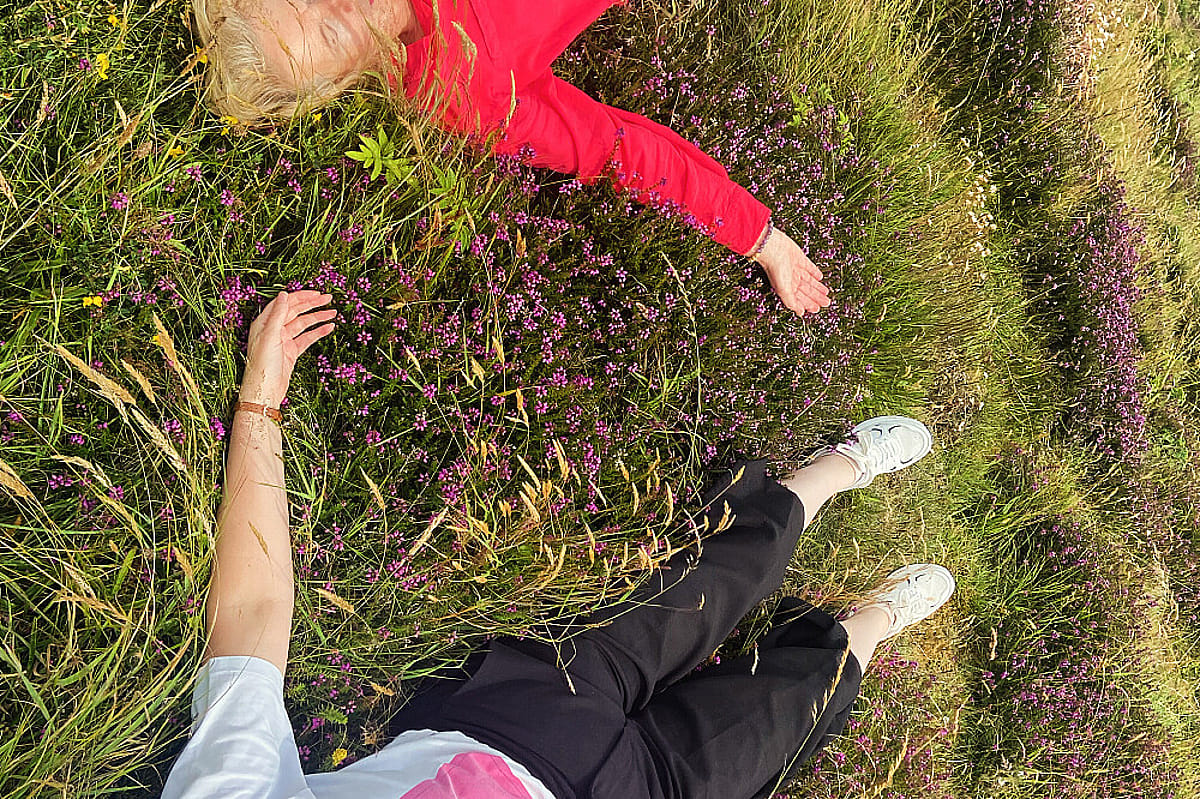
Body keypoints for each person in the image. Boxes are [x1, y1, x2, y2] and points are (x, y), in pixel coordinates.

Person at [161, 291, 954, 799]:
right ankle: (872, 621)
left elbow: (254, 620)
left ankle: (829, 471)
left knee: (700, 584)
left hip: (517, 718)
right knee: (781, 714)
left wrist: (259, 405)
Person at [190, 0, 832, 316]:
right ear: (344, 77)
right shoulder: (467, 91)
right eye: (330, 32)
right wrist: (760, 238)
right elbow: (618, 150)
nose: (340, 1)